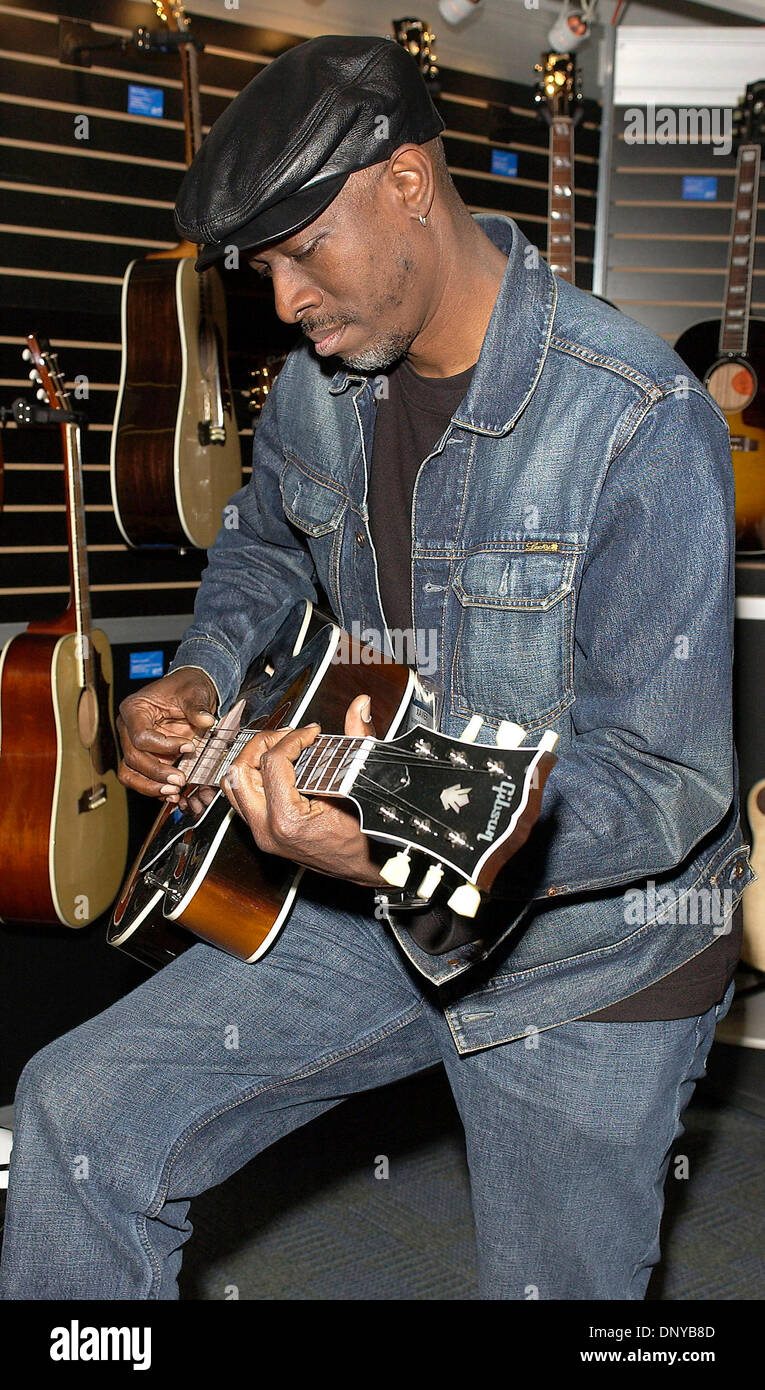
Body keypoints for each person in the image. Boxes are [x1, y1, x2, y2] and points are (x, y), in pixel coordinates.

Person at [0, 35, 754, 1301]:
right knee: (76, 1118)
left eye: (305, 251)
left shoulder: (638, 416)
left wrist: (418, 841)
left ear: (408, 181)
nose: (287, 302)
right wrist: (202, 672)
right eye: (266, 268)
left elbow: (670, 780)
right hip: (362, 905)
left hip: (590, 956)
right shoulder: (315, 389)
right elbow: (258, 546)